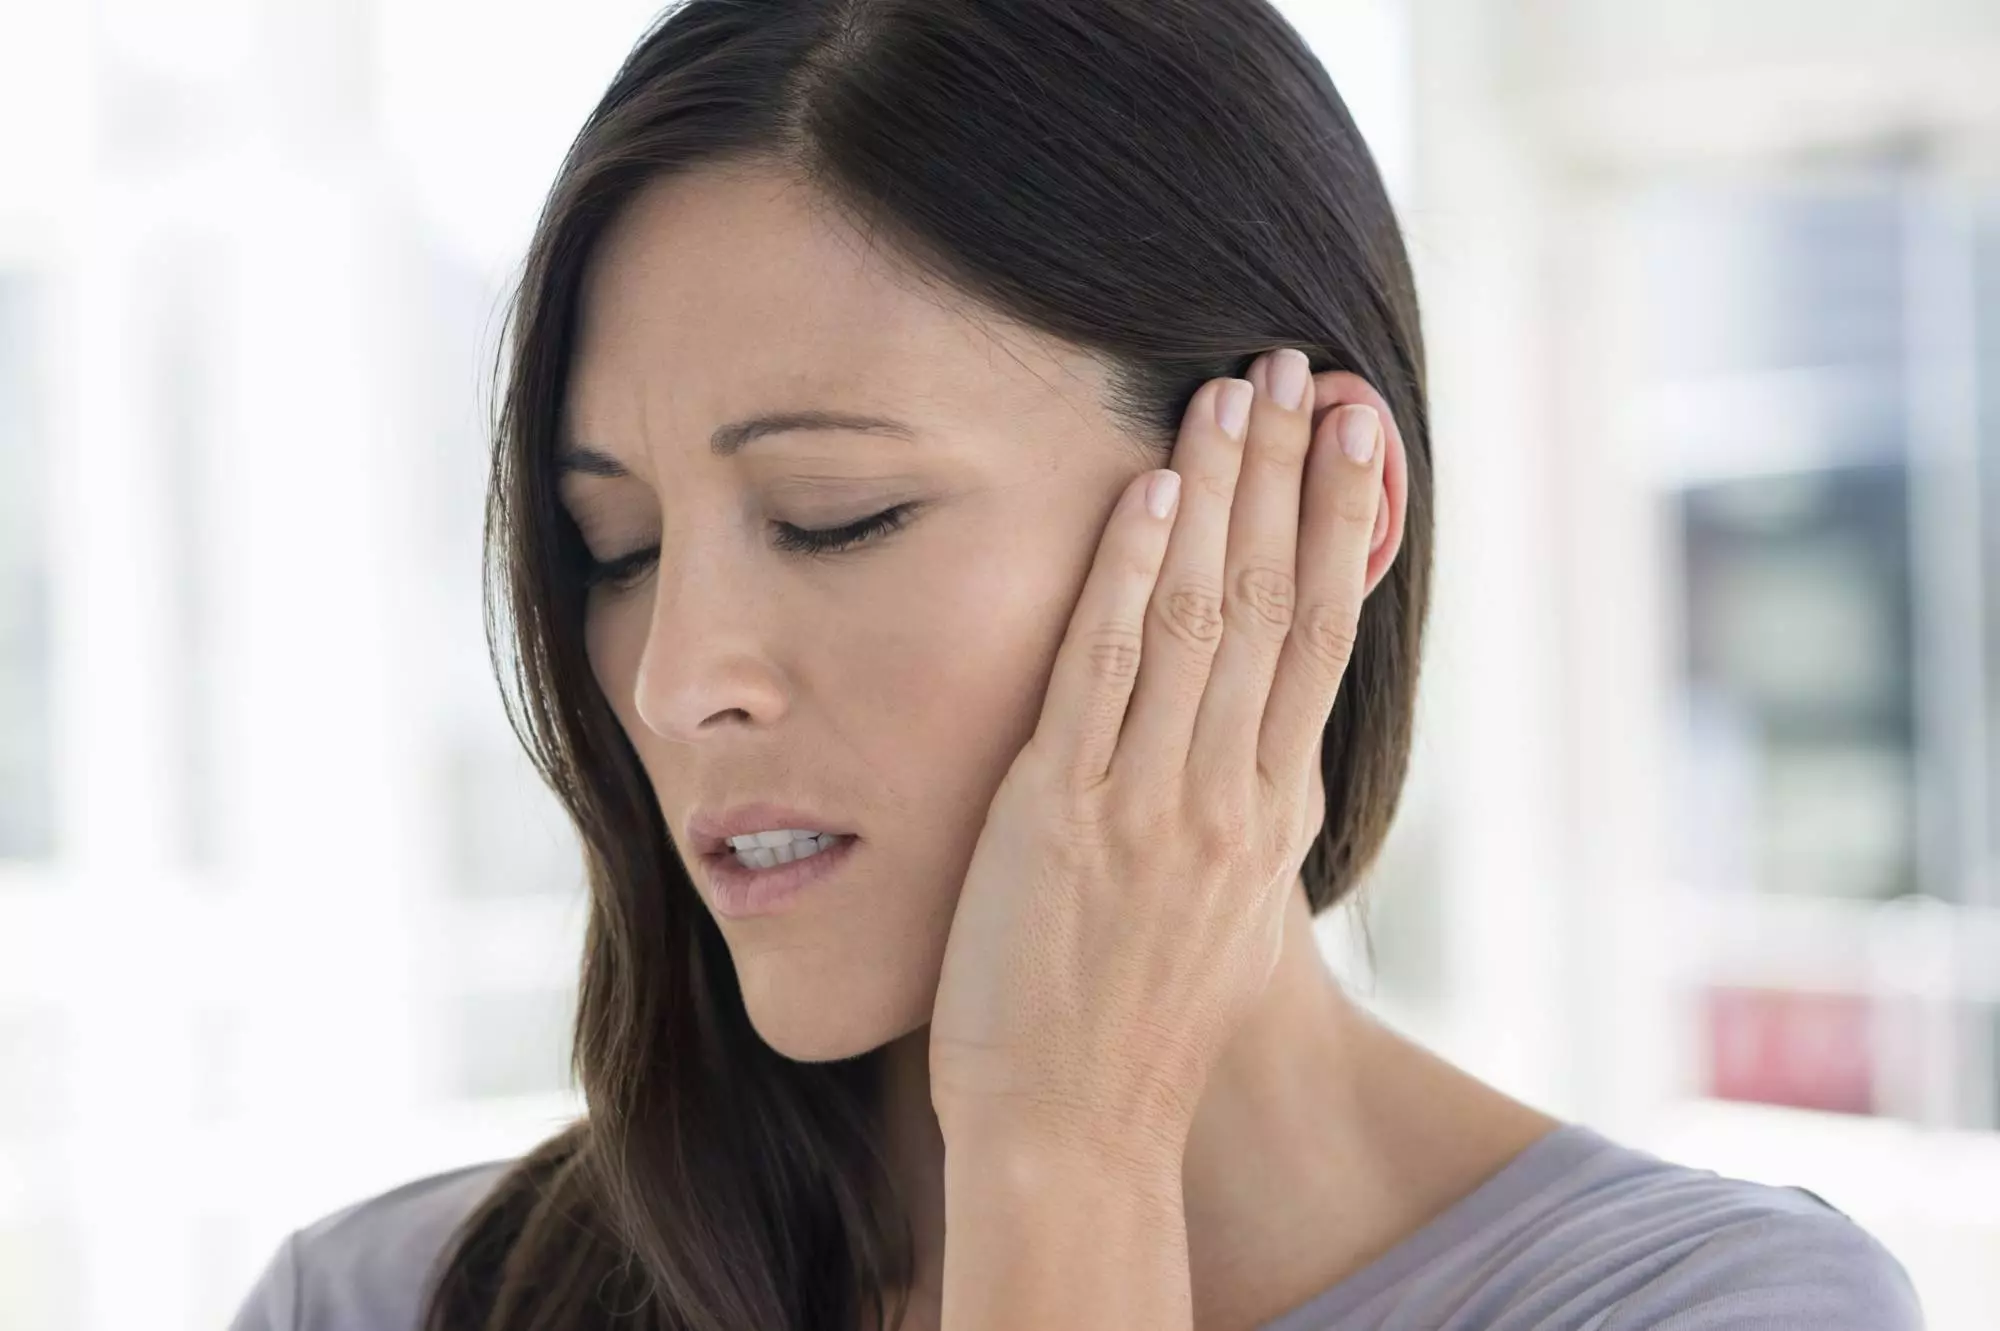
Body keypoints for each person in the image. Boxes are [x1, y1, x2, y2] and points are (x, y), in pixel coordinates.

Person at [226, 1, 1925, 1328]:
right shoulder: (392, 1300)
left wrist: (1067, 1157)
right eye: (618, 547)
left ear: (1308, 516)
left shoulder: (1704, 1309)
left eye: (837, 514)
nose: (677, 677)